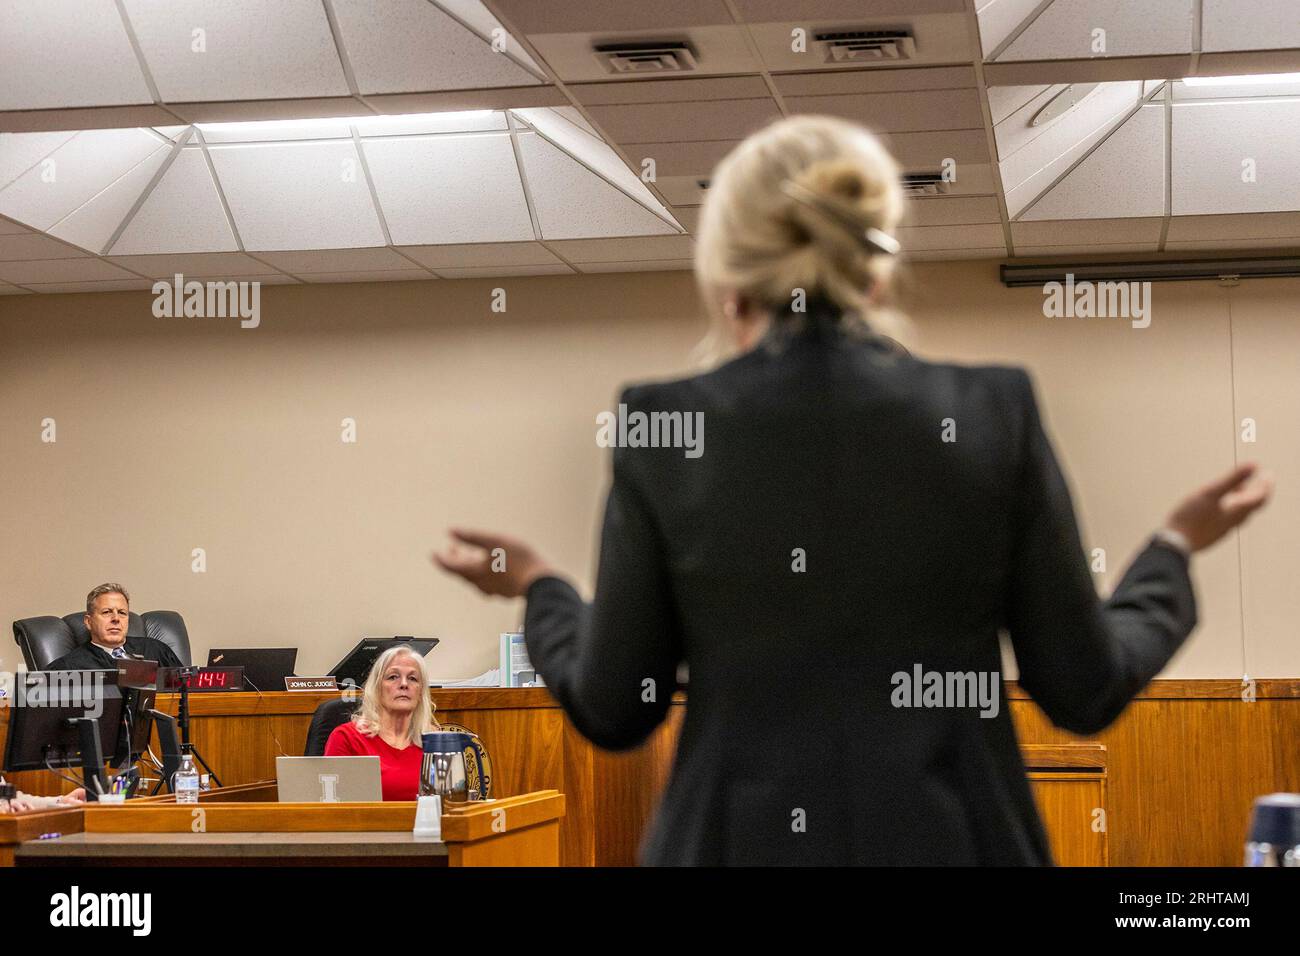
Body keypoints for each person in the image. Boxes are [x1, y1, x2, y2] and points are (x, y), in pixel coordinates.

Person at [434, 115, 1273, 865]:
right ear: (873, 273)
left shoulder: (663, 426)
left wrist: (541, 586)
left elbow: (617, 707)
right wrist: (1171, 551)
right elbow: (1083, 687)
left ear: (727, 280)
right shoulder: (993, 411)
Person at [324, 646, 439, 801]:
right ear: (377, 688)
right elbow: (334, 807)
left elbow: (452, 805)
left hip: (427, 824)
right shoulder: (347, 738)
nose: (404, 684)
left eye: (413, 678)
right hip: (369, 825)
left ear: (421, 692)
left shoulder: (436, 741)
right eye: (393, 677)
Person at [46, 584, 183, 671]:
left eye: (122, 613)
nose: (116, 619)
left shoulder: (155, 650)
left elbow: (191, 692)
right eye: (106, 612)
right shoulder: (69, 667)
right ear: (88, 622)